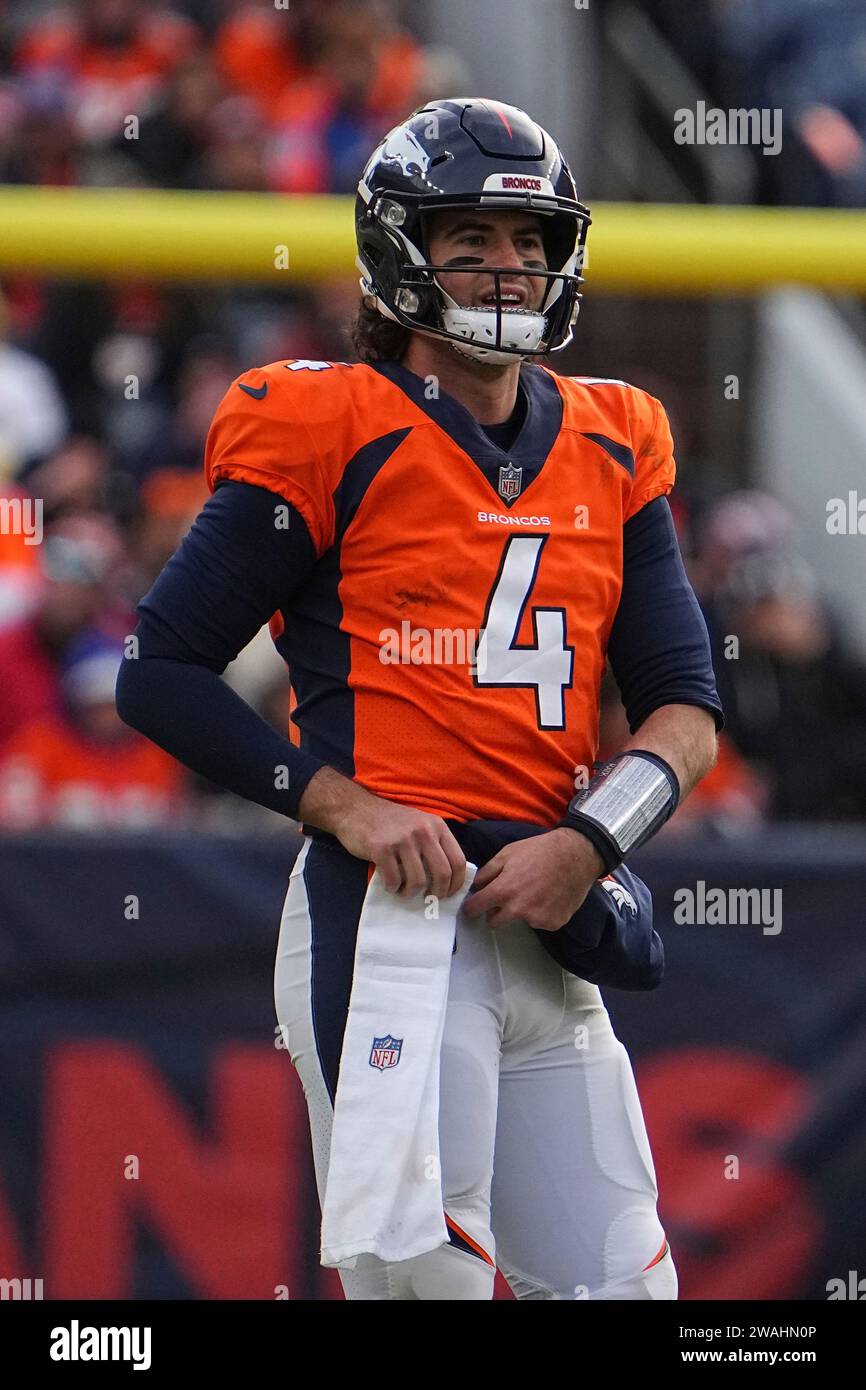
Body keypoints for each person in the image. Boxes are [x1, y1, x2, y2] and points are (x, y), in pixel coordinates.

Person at [117, 98, 723, 1300]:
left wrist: (588, 838)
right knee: (422, 1287)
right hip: (394, 926)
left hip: (551, 934)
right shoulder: (329, 422)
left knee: (628, 1293)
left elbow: (686, 712)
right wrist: (340, 805)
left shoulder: (613, 438)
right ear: (402, 250)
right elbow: (161, 669)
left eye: (528, 242)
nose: (508, 268)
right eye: (471, 239)